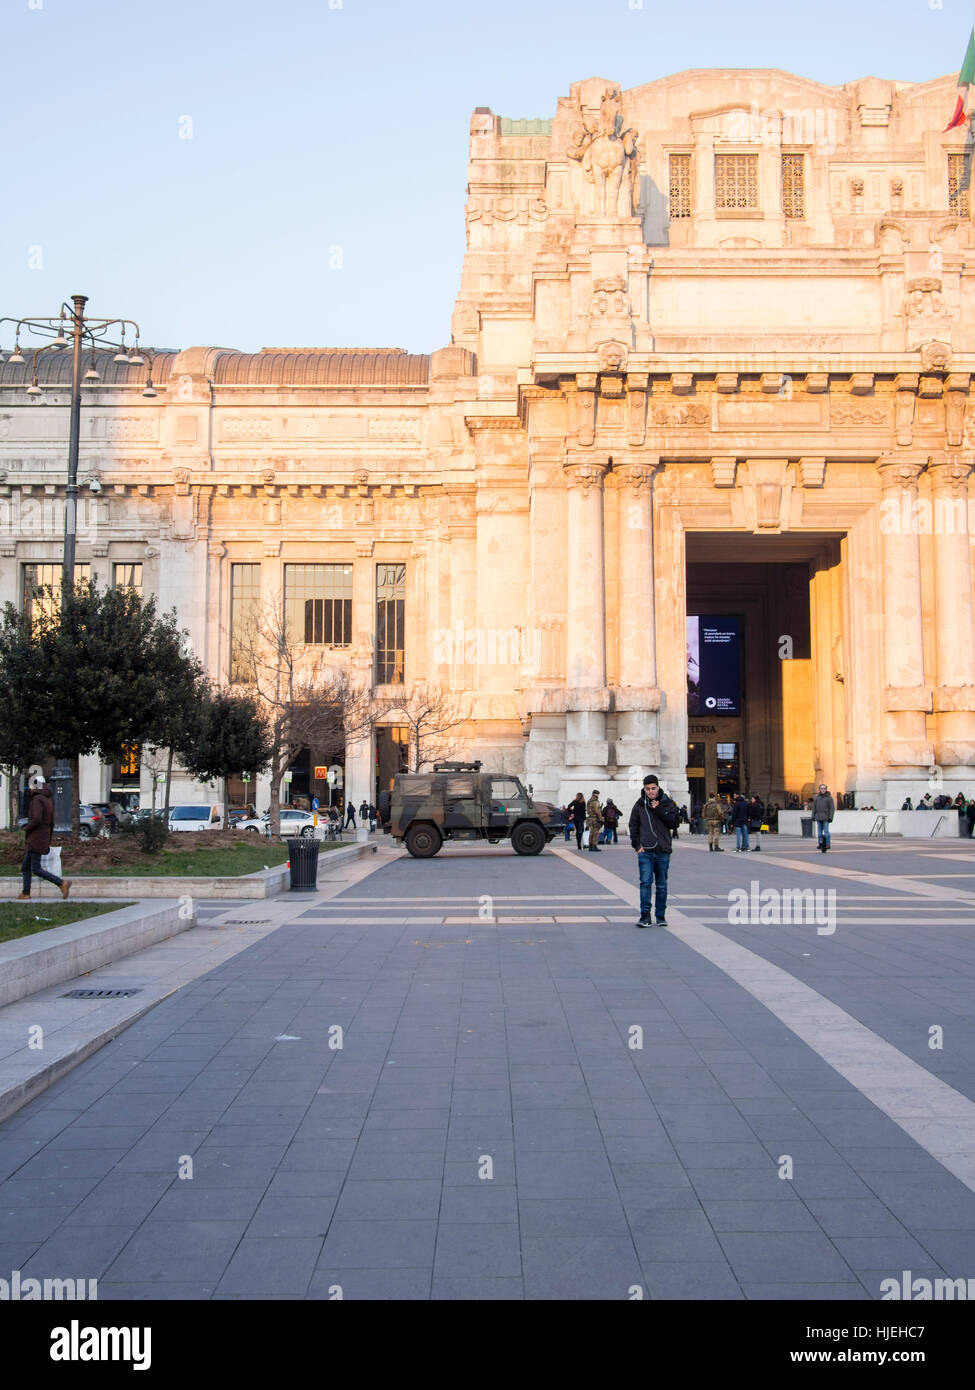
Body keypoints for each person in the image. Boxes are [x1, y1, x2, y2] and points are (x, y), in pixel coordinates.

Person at [628, 774, 680, 928]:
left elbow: (674, 823)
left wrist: (659, 809)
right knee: (645, 883)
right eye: (647, 789)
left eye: (653, 788)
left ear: (658, 787)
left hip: (663, 850)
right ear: (644, 789)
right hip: (645, 851)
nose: (650, 791)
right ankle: (645, 916)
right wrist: (637, 846)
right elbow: (633, 825)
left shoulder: (667, 803)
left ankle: (660, 916)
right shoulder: (639, 805)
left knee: (662, 885)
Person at [19, 775, 71, 901]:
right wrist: (47, 839)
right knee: (25, 866)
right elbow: (51, 823)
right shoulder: (48, 800)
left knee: (35, 868)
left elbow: (36, 819)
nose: (30, 787)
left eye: (31, 785)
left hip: (35, 838)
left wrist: (27, 828)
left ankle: (61, 883)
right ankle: (25, 893)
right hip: (41, 837)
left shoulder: (37, 799)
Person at [812, 783, 835, 852]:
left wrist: (831, 817)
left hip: (826, 818)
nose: (823, 790)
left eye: (824, 788)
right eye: (822, 788)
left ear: (826, 789)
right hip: (818, 817)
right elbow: (814, 808)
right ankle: (820, 843)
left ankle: (827, 844)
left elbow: (832, 808)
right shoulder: (816, 798)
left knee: (826, 831)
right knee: (819, 832)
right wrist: (813, 816)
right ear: (819, 789)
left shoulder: (829, 798)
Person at [586, 789, 603, 854]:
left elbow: (587, 810)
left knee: (591, 832)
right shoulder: (596, 801)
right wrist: (601, 819)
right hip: (595, 819)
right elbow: (597, 811)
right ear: (595, 794)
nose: (598, 795)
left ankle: (590, 846)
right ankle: (594, 846)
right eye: (598, 794)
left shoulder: (589, 801)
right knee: (595, 833)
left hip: (590, 818)